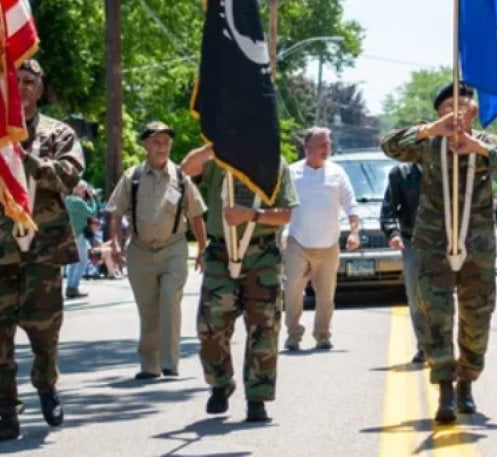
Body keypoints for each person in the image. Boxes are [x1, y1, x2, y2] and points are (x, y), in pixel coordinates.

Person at [381, 81, 497, 423]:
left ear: (474, 112)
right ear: (440, 112)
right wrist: (431, 130)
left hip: (476, 248)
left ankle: (467, 381)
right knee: (436, 316)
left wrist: (480, 149)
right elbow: (388, 145)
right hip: (433, 245)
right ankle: (445, 387)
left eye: (463, 107)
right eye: (450, 109)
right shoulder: (428, 143)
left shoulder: (486, 144)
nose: (457, 114)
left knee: (477, 318)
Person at [0, 58, 84, 445]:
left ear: (40, 87)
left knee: (45, 335)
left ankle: (46, 385)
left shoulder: (59, 133)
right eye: (15, 79)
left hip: (42, 251)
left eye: (29, 80)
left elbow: (70, 174)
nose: (21, 85)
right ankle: (6, 416)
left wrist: (28, 161)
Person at [181, 144, 299, 424]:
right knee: (210, 326)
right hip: (220, 254)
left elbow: (285, 214)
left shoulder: (273, 163)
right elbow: (186, 168)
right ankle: (220, 383)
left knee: (264, 328)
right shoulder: (219, 159)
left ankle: (257, 399)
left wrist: (252, 215)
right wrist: (215, 143)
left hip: (262, 256)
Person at [105, 122, 205, 380]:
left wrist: (203, 247)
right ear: (145, 145)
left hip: (173, 247)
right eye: (156, 141)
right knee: (148, 308)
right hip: (139, 250)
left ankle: (170, 363)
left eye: (166, 142)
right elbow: (115, 213)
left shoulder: (182, 178)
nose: (162, 146)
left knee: (170, 299)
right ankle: (150, 366)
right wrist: (115, 242)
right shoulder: (133, 177)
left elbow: (196, 215)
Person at [284, 127, 361, 352]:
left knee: (326, 294)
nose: (327, 149)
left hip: (328, 244)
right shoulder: (291, 172)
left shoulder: (337, 173)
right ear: (308, 148)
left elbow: (351, 204)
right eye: (322, 145)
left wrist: (354, 231)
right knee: (292, 291)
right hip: (297, 241)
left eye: (328, 144)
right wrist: (281, 233)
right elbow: (281, 205)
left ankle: (323, 334)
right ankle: (293, 334)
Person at [381, 161, 427, 365]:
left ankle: (443, 346)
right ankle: (425, 347)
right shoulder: (401, 173)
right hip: (412, 240)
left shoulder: (447, 167)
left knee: (441, 297)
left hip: (443, 243)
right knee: (416, 297)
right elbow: (388, 209)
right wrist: (393, 233)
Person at [63, 181, 94, 299]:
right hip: (79, 234)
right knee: (82, 261)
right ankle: (73, 286)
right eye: (82, 189)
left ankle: (70, 286)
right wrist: (92, 199)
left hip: (70, 234)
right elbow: (92, 212)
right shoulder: (78, 201)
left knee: (73, 262)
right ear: (76, 189)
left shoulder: (68, 200)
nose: (84, 191)